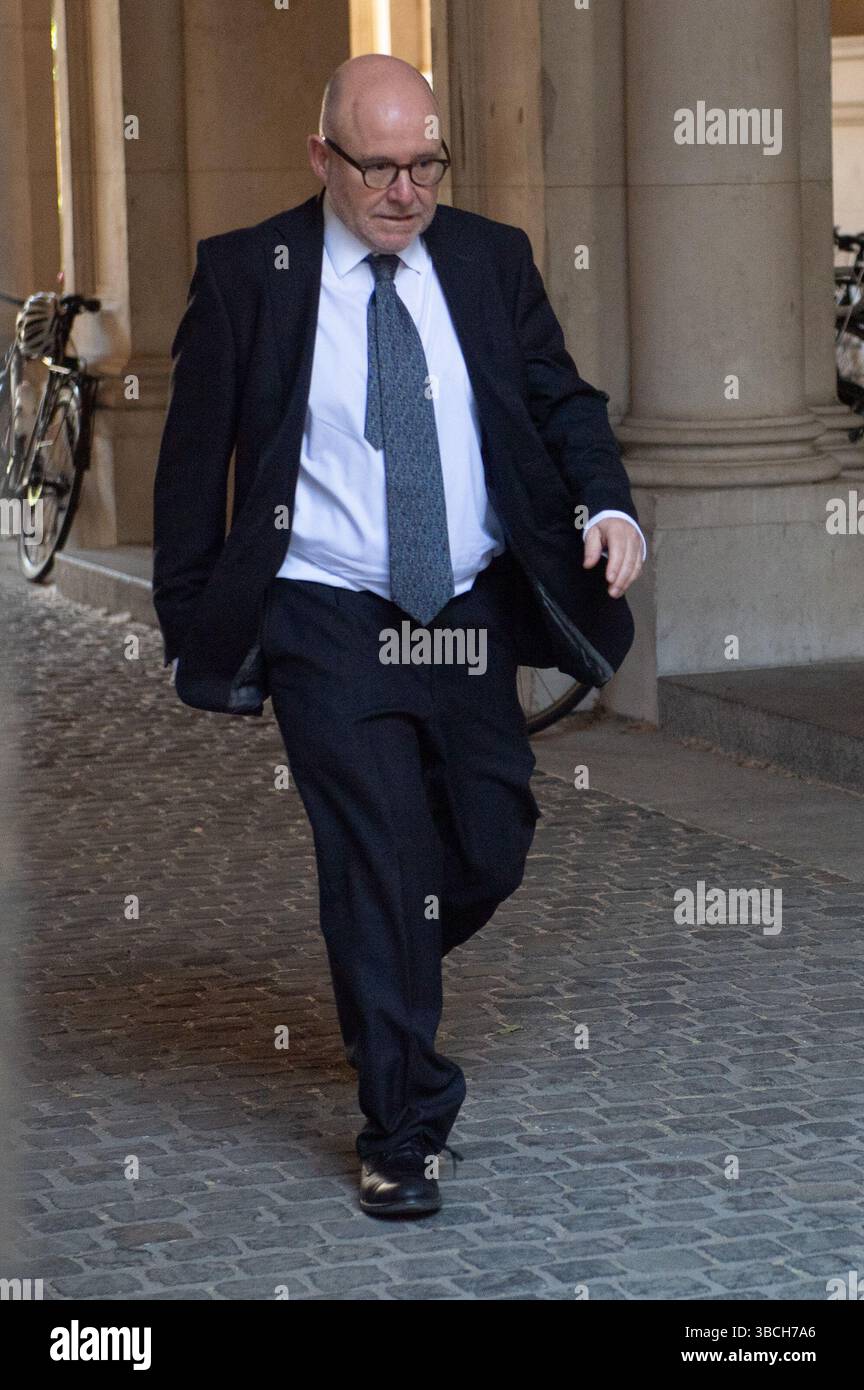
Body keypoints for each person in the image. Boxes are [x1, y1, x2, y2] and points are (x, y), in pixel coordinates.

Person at [152, 53, 645, 1219]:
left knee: (487, 840)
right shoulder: (248, 275)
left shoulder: (486, 259)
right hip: (324, 610)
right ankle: (402, 1126)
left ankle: (386, 965)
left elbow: (561, 401)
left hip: (462, 606)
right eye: (378, 167)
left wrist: (608, 505)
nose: (404, 191)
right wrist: (193, 623)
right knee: (375, 857)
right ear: (323, 156)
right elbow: (190, 469)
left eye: (426, 163)